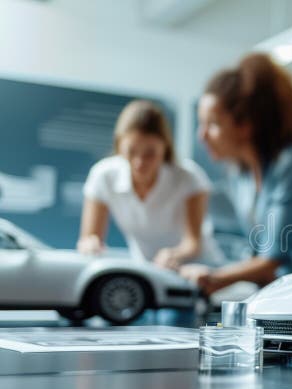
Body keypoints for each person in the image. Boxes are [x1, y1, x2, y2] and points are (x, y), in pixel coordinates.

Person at [183, 53, 292, 294]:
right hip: (283, 292)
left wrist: (213, 277)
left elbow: (273, 258)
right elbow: (260, 257)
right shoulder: (240, 175)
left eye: (212, 124)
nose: (202, 136)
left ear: (245, 126)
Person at [79, 100, 222, 269]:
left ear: (165, 148)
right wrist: (91, 245)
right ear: (119, 145)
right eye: (131, 151)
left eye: (150, 153)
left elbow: (193, 243)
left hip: (199, 268)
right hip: (148, 269)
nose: (139, 162)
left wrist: (173, 254)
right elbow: (89, 237)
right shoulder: (103, 176)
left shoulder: (189, 177)